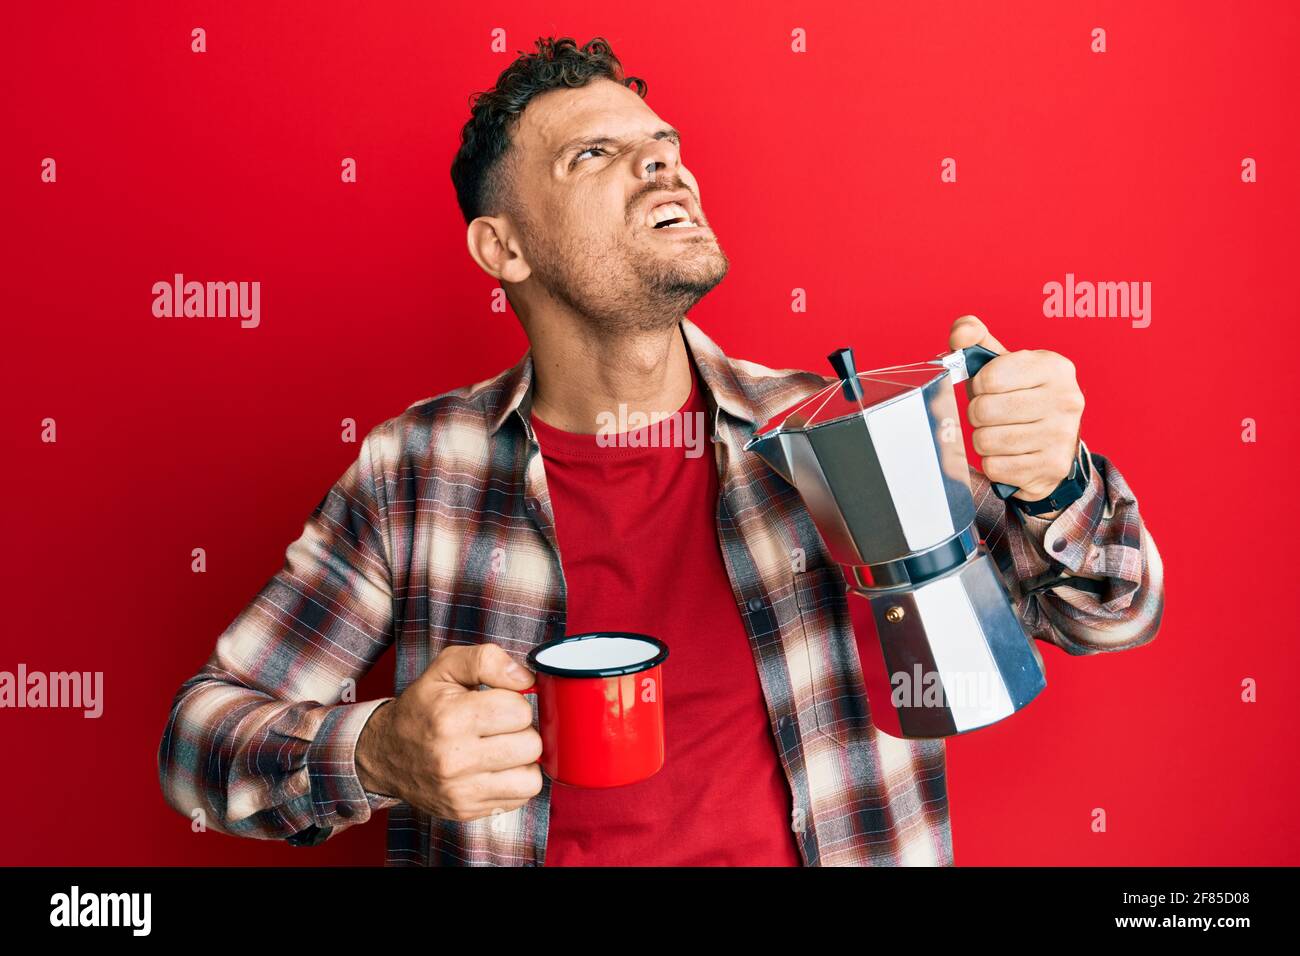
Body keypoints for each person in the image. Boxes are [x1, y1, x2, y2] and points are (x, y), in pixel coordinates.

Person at [157, 36, 1164, 866]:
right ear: (500, 249)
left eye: (662, 144)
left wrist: (1051, 479)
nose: (661, 162)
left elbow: (1108, 614)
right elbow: (199, 742)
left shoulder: (828, 435)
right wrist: (375, 750)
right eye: (590, 155)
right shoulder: (413, 470)